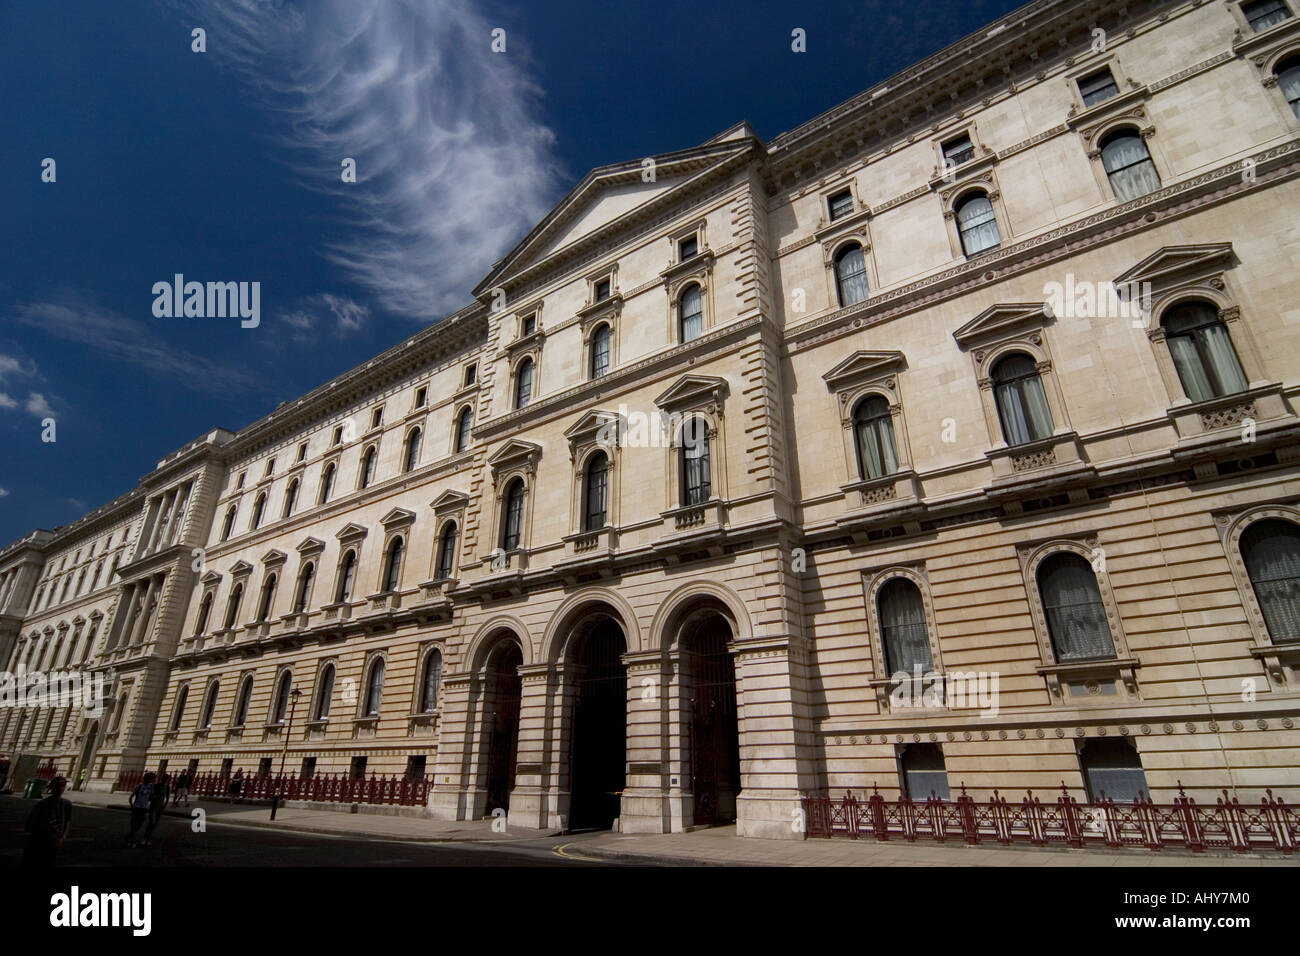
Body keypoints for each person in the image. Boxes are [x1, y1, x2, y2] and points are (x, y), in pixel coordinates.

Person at [23, 775, 72, 867]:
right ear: (52, 788)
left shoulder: (67, 804)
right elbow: (29, 826)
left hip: (54, 842)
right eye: (58, 786)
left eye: (63, 786)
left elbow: (68, 821)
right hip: (38, 842)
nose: (60, 788)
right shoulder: (41, 805)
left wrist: (63, 837)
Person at [126, 772, 154, 847]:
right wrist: (132, 806)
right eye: (150, 779)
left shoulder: (150, 788)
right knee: (134, 825)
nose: (151, 780)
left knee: (139, 825)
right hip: (137, 808)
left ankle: (129, 837)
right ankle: (132, 841)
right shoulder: (139, 786)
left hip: (144, 809)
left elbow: (150, 798)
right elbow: (131, 797)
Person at [141, 772, 170, 846]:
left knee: (154, 824)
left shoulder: (167, 787)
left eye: (166, 779)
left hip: (160, 807)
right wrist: (153, 798)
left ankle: (148, 838)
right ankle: (145, 837)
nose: (165, 780)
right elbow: (150, 795)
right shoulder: (156, 786)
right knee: (152, 822)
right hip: (153, 806)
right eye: (164, 779)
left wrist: (164, 806)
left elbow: (167, 798)